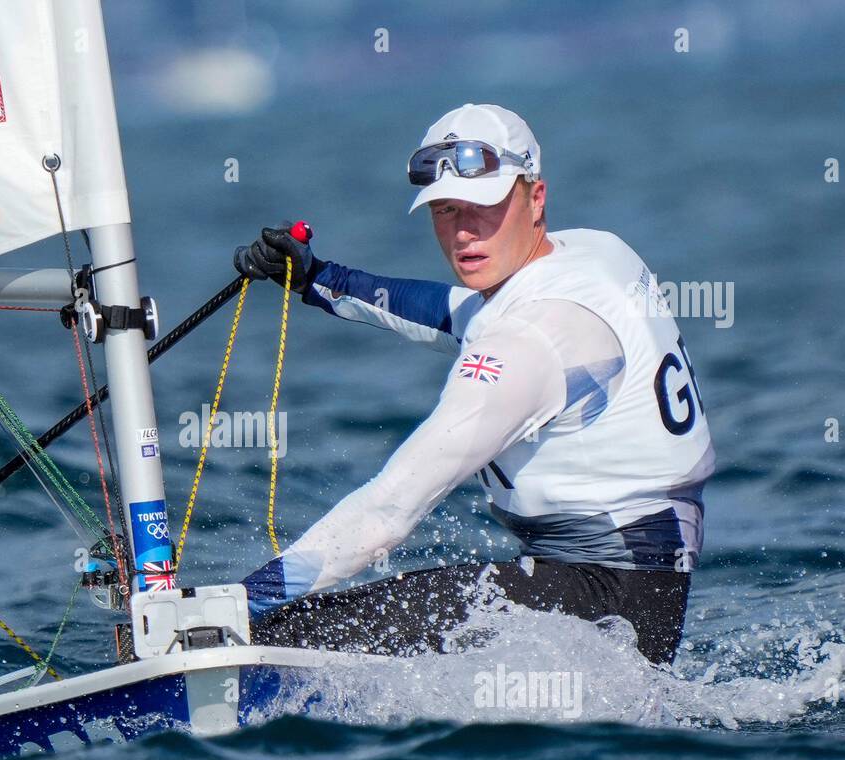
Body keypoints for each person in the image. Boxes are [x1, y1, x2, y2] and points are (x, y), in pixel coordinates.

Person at [233, 103, 714, 665]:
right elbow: (449, 310)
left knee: (277, 636)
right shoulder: (597, 251)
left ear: (536, 197)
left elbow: (389, 510)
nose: (463, 232)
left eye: (484, 208)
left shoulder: (528, 341)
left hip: (602, 611)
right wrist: (318, 278)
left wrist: (237, 604)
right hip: (639, 597)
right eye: (445, 210)